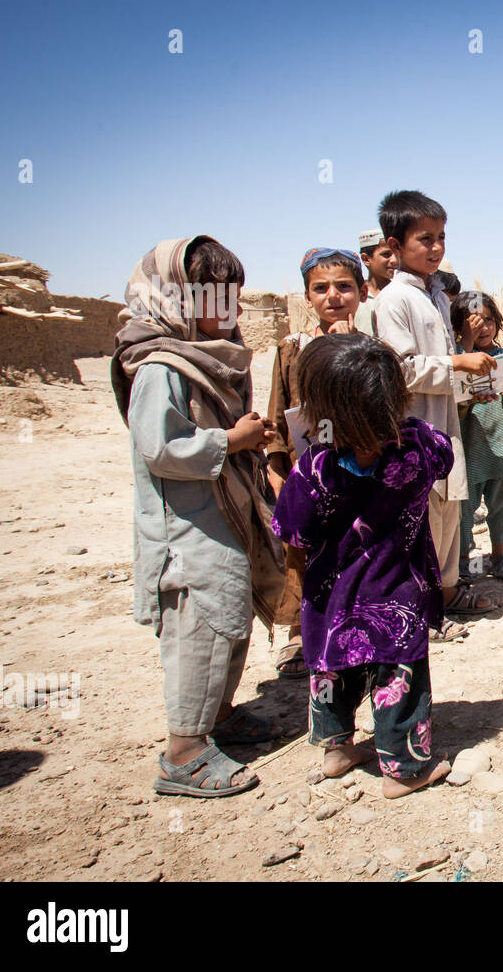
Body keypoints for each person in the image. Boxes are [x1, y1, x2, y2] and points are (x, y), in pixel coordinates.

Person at [111, 236, 285, 798]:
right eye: (214, 295)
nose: (229, 308)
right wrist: (231, 440)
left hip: (221, 519)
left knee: (229, 615)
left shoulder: (211, 359)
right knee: (199, 626)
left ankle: (221, 716)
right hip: (187, 530)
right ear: (176, 297)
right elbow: (160, 447)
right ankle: (183, 753)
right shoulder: (161, 366)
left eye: (232, 295)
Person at [271, 333, 454, 797]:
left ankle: (336, 749)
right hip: (395, 591)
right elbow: (446, 457)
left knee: (333, 666)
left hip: (329, 596)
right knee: (399, 675)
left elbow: (292, 529)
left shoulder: (314, 467)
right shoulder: (418, 446)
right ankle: (402, 769)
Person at [371, 189, 497, 639]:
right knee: (419, 517)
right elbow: (401, 370)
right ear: (394, 244)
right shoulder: (394, 301)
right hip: (412, 430)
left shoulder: (439, 297)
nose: (436, 247)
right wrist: (457, 364)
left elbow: (441, 369)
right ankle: (420, 612)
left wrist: (471, 388)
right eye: (425, 239)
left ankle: (444, 595)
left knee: (447, 510)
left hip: (444, 425)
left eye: (441, 237)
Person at [264, 248, 364, 678]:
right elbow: (277, 414)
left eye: (344, 287)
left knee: (355, 548)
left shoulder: (372, 346)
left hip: (357, 468)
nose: (333, 296)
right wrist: (275, 470)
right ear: (307, 297)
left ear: (361, 292)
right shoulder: (291, 350)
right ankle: (298, 635)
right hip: (306, 470)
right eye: (320, 289)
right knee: (302, 551)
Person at [450, 290, 503, 580]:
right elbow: (454, 390)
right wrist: (467, 344)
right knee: (464, 509)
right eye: (472, 323)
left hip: (501, 444)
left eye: (487, 320)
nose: (482, 327)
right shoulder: (458, 360)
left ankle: (499, 556)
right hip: (470, 446)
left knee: (500, 504)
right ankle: (465, 561)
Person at [354, 229, 397, 336]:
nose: (394, 260)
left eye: (396, 254)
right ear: (366, 259)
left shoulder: (401, 293)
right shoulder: (354, 297)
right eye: (386, 254)